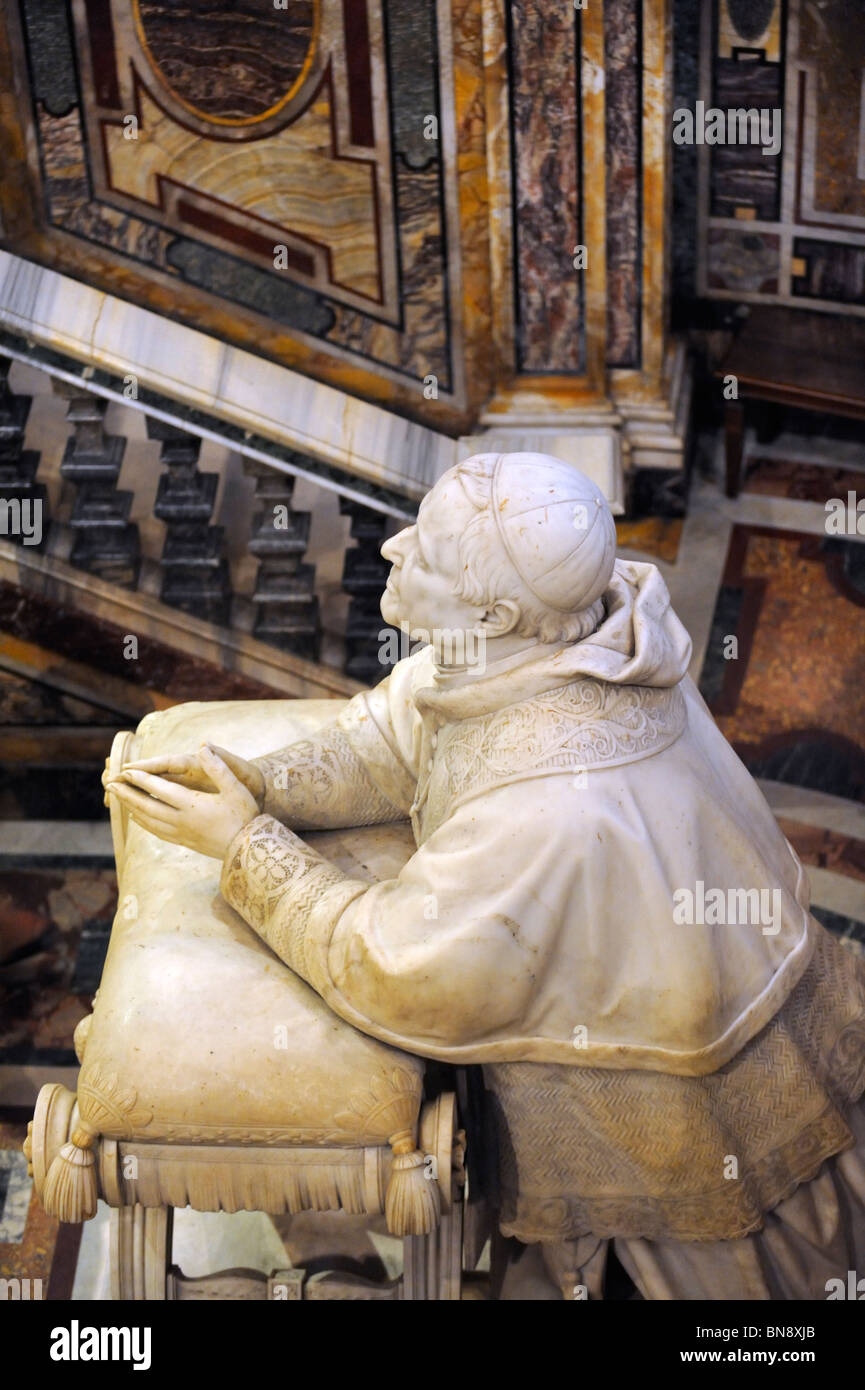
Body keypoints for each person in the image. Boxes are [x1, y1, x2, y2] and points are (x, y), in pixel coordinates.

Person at [106, 452, 865, 1299]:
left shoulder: (546, 804)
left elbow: (404, 969)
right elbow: (398, 737)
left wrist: (248, 846)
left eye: (423, 553)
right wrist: (263, 784)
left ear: (496, 609)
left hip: (665, 1113)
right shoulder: (564, 635)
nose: (393, 548)